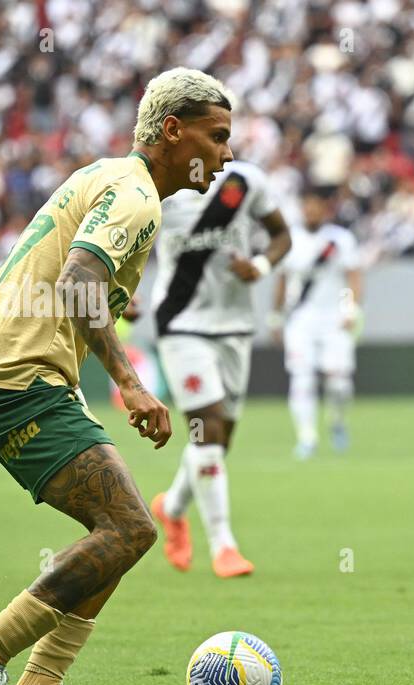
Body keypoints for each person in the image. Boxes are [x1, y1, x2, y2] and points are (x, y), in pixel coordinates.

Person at [0, 68, 235, 685]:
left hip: (11, 371)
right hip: (14, 381)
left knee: (122, 532)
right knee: (129, 528)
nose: (227, 154)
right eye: (217, 137)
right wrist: (128, 381)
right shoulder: (136, 199)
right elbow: (77, 280)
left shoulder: (109, 175)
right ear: (173, 131)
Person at [148, 157, 291, 577]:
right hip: (180, 323)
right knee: (205, 426)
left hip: (235, 327)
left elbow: (282, 234)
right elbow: (127, 241)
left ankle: (172, 507)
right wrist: (123, 291)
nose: (223, 146)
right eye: (214, 134)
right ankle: (223, 545)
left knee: (219, 440)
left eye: (225, 135)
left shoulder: (243, 183)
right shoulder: (161, 185)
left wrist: (261, 265)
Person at [270, 186, 363, 459]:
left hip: (334, 318)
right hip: (300, 319)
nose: (310, 211)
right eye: (306, 205)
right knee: (302, 378)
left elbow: (354, 278)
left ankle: (337, 421)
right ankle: (307, 437)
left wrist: (350, 310)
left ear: (325, 209)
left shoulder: (340, 240)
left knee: (339, 383)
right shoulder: (290, 240)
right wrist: (275, 316)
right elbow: (283, 280)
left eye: (316, 206)